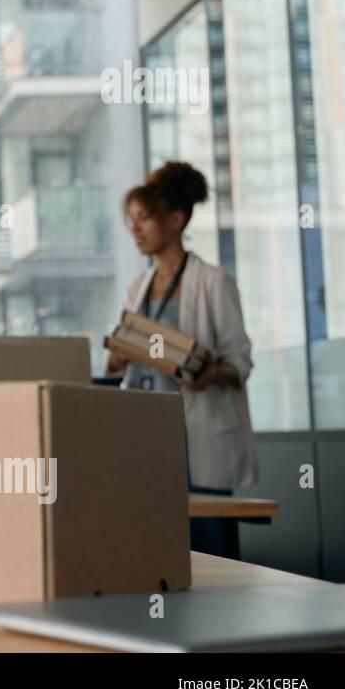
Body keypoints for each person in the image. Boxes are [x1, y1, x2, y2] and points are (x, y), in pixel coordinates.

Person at [108, 160, 258, 506]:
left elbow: (240, 361)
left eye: (144, 218)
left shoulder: (213, 282)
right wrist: (117, 357)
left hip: (198, 434)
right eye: (132, 220)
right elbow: (121, 358)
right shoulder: (137, 288)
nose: (136, 230)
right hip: (149, 433)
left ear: (176, 220)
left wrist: (210, 372)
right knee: (155, 537)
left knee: (210, 547)